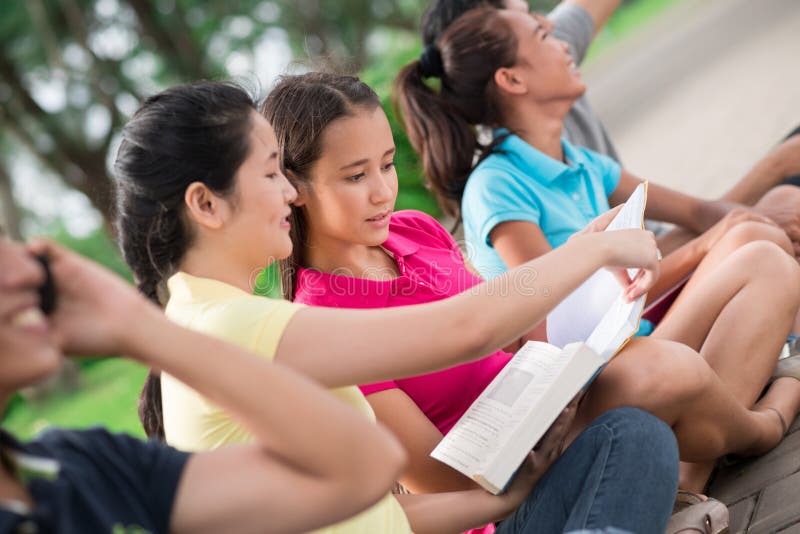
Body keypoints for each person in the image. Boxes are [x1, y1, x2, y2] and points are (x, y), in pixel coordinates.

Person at [112, 80, 681, 534]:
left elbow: (382, 519)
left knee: (630, 435)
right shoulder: (231, 326)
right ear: (206, 204)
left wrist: (512, 494)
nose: (290, 193)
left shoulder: (216, 317)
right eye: (270, 174)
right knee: (633, 434)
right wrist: (590, 250)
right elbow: (466, 329)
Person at [264, 70, 800, 529]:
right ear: (295, 187)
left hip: (559, 401)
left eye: (386, 164)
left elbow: (518, 328)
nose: (383, 190)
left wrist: (588, 271)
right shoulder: (325, 322)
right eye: (356, 176)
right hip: (511, 482)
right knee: (664, 370)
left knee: (765, 265)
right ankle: (762, 427)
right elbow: (434, 481)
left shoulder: (414, 230)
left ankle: (687, 487)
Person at [0, 232, 411, 533]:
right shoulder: (226, 317)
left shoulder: (87, 465)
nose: (26, 272)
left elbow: (365, 466)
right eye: (269, 173)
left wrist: (138, 328)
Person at [418, 0, 800, 254]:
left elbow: (694, 214)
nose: (554, 27)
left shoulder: (575, 156)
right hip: (642, 308)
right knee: (766, 233)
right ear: (509, 76)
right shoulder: (503, 180)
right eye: (536, 26)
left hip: (657, 265)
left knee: (776, 216)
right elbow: (575, 314)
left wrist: (748, 222)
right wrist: (765, 186)